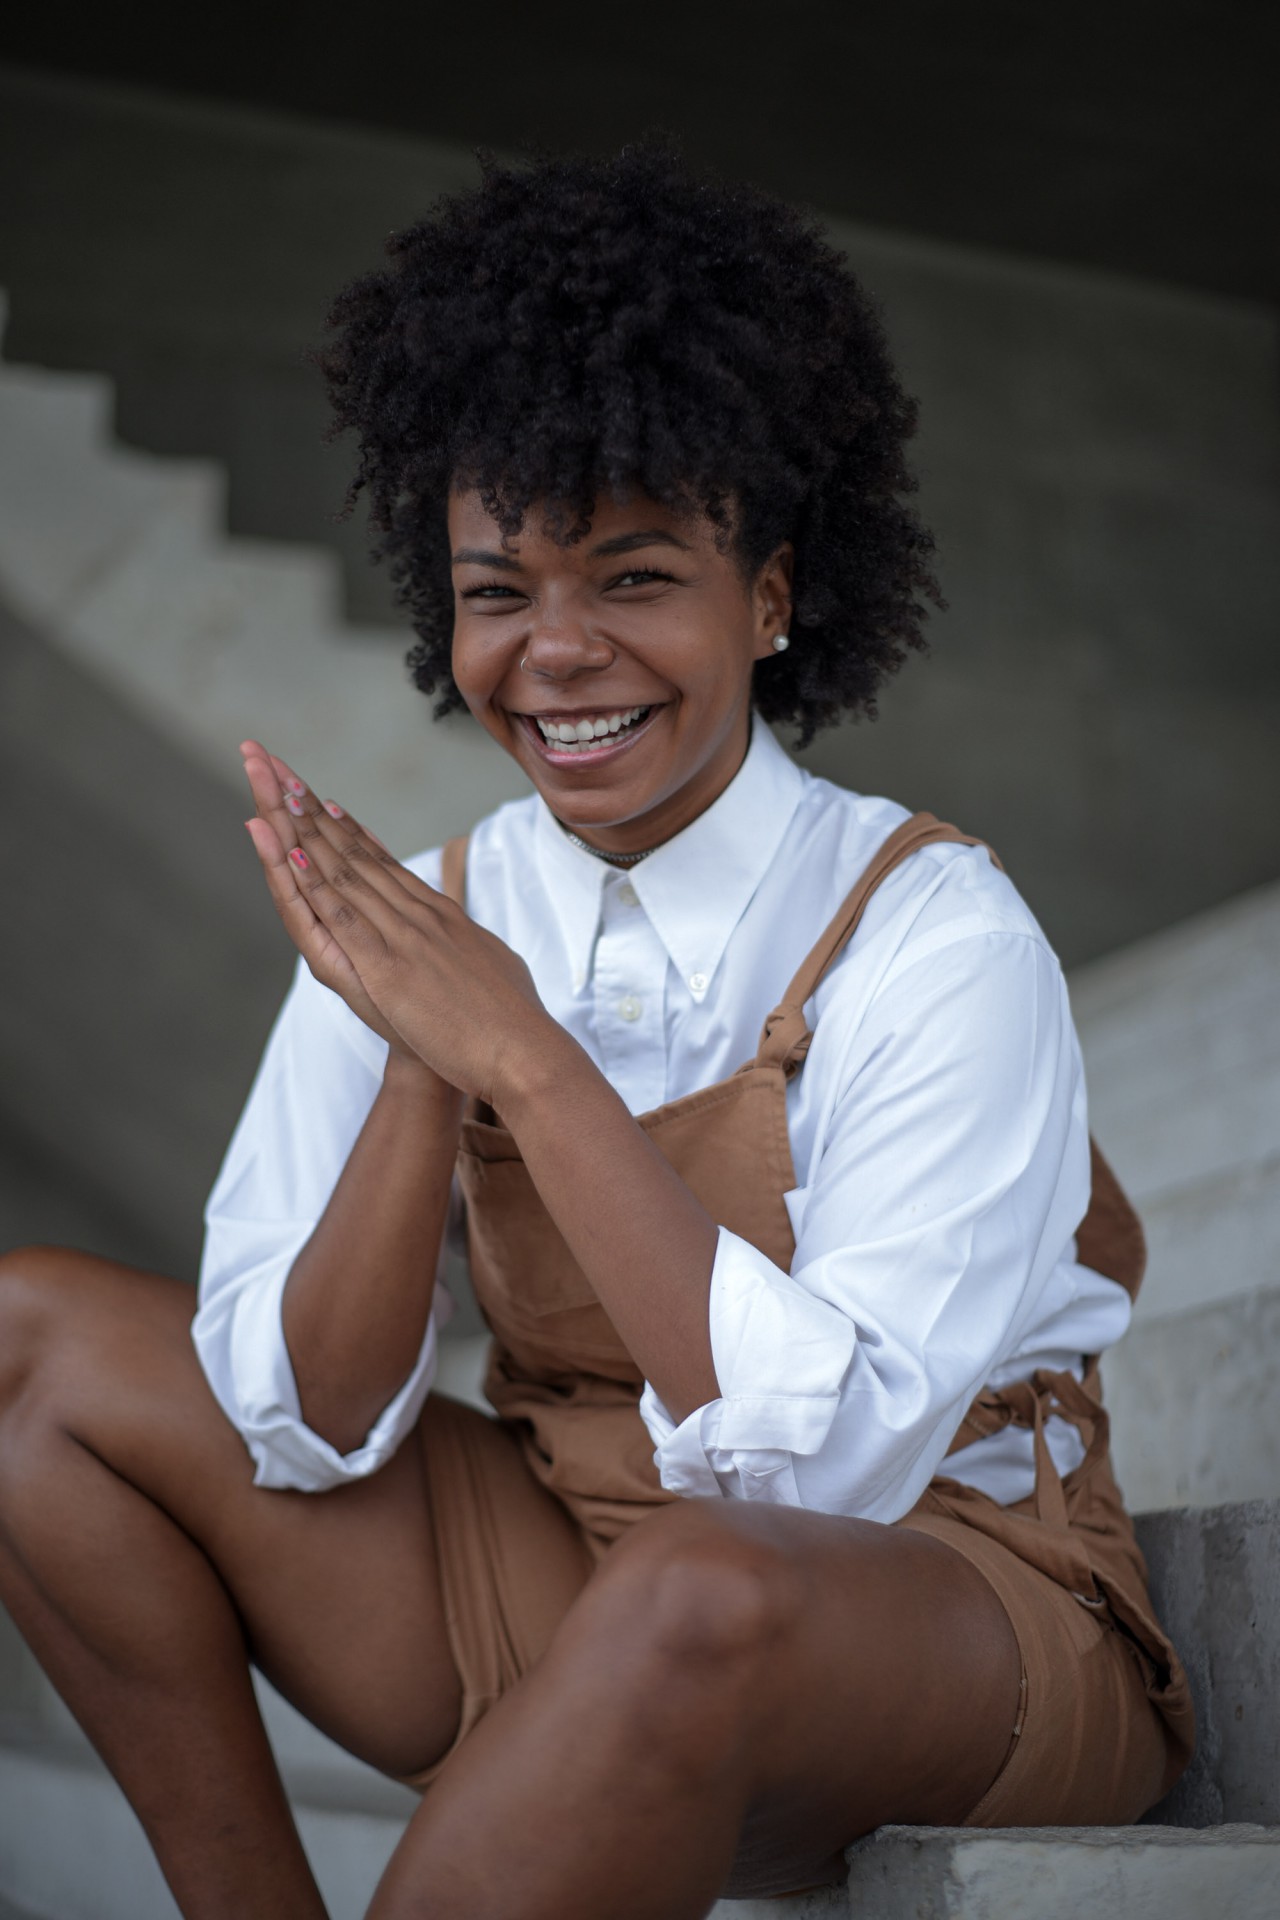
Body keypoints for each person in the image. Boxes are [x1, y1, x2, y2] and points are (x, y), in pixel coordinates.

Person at [0, 143, 1192, 1920]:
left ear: (770, 596)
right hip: (566, 1561)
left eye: (633, 578)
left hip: (947, 1610)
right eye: (499, 590)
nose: (556, 651)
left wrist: (533, 1067)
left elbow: (837, 1473)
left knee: (698, 1589)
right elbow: (306, 1429)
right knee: (32, 1350)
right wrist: (425, 1050)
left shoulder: (932, 928)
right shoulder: (424, 915)